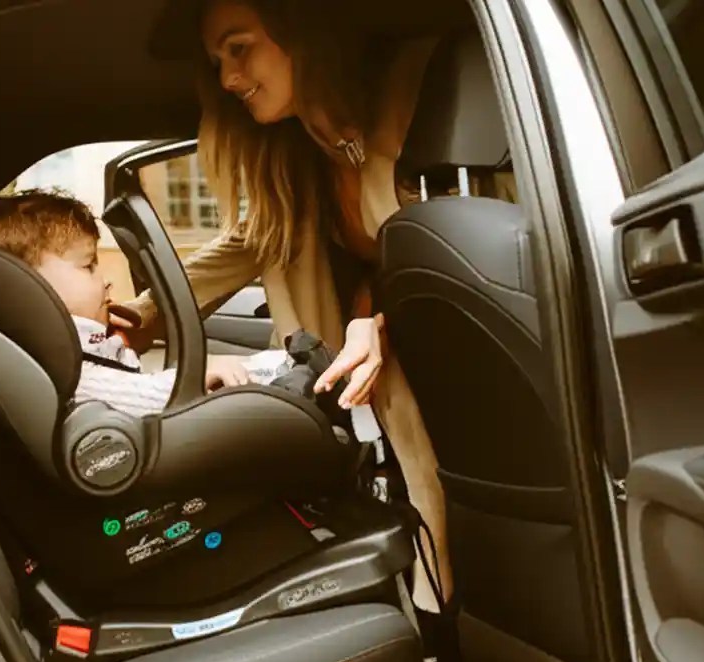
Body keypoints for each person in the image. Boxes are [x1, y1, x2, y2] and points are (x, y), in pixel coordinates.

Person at [115, 0, 453, 611]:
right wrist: (142, 317)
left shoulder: (417, 108)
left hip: (448, 379)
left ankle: (437, 621)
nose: (227, 78)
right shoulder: (299, 157)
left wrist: (377, 318)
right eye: (218, 61)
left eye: (239, 47)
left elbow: (450, 257)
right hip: (364, 392)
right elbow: (253, 240)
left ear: (302, 28)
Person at [0, 189, 299, 417]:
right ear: (24, 286)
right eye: (88, 266)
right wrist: (200, 374)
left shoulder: (72, 345)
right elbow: (140, 396)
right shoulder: (60, 365)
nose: (105, 280)